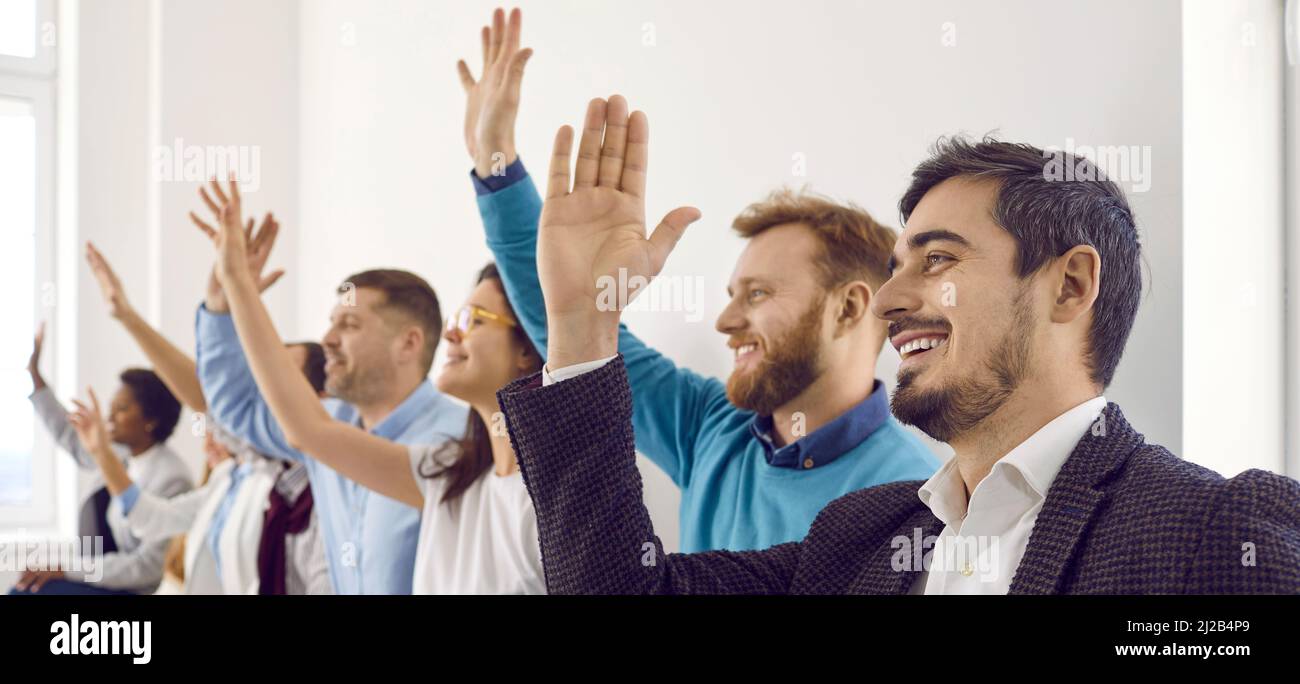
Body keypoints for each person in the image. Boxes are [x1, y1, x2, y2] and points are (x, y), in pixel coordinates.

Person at [494, 106, 1300, 593]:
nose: (887, 300)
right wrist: (579, 320)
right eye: (896, 266)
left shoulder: (1216, 529)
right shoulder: (863, 538)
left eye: (938, 259)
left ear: (1068, 286)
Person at [461, 7, 938, 552]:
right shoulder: (712, 425)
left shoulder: (915, 500)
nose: (726, 321)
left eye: (757, 294)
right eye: (732, 294)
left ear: (850, 309)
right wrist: (494, 164)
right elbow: (571, 328)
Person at [195, 176, 546, 593]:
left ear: (528, 348)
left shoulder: (532, 492)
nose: (451, 335)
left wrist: (498, 165)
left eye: (471, 321)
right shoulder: (447, 473)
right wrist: (233, 286)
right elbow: (300, 427)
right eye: (455, 321)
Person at [78, 238, 330, 595]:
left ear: (320, 399)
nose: (267, 388)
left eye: (283, 376)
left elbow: (209, 400)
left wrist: (231, 305)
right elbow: (152, 520)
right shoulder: (237, 475)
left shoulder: (308, 474)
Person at [13, 327, 191, 595]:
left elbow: (146, 568)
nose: (110, 415)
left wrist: (68, 568)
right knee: (27, 587)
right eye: (112, 406)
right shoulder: (119, 455)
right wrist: (35, 376)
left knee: (32, 591)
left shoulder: (172, 478)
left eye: (121, 409)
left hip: (133, 590)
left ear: (150, 421)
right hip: (105, 578)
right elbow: (70, 436)